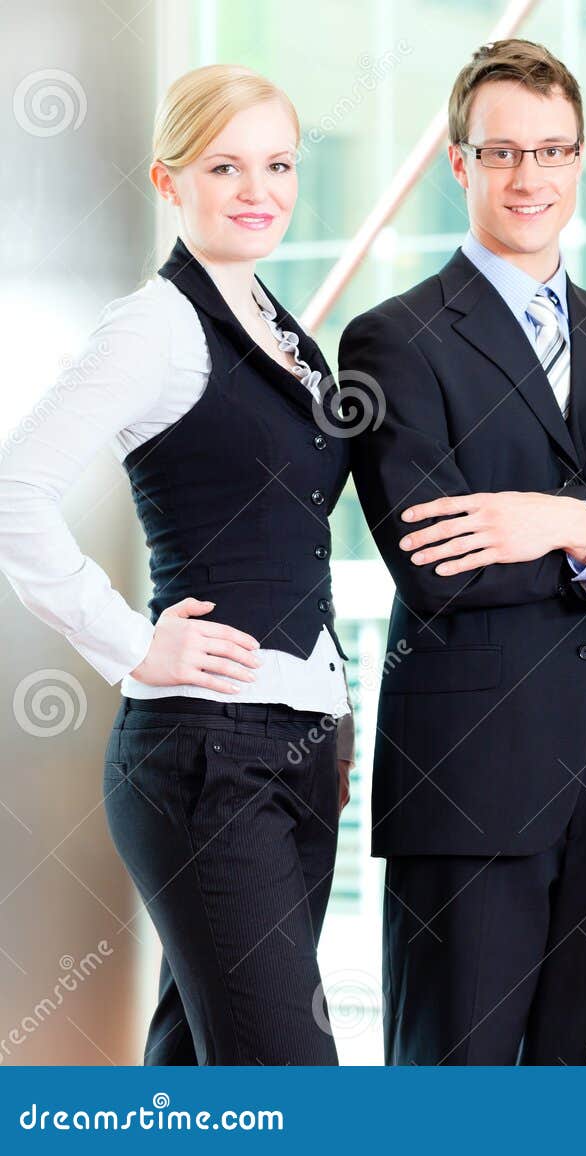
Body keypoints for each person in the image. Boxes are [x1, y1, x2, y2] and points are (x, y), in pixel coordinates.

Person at [0, 64, 355, 1064]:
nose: (258, 190)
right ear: (169, 181)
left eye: (278, 164)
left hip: (299, 745)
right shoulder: (154, 326)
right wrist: (131, 646)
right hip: (208, 757)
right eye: (224, 166)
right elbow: (15, 489)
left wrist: (331, 700)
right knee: (289, 1080)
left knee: (200, 1067)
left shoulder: (281, 329)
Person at [342, 39, 586, 1065]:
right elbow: (440, 565)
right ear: (459, 162)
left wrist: (559, 520)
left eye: (552, 150)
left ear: (580, 160)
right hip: (470, 781)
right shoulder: (393, 341)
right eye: (502, 152)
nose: (530, 176)